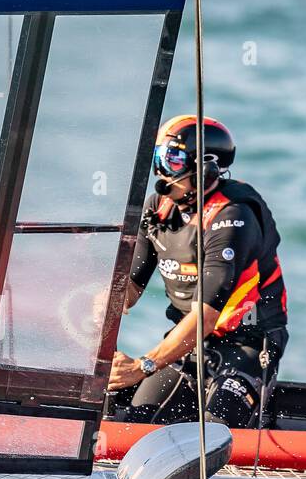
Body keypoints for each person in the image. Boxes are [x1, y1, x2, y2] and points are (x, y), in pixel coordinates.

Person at [106, 115, 289, 428]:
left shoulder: (234, 216)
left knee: (217, 428)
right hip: (187, 347)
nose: (162, 172)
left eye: (173, 161)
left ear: (205, 167)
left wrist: (144, 365)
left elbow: (206, 316)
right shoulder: (157, 210)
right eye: (159, 159)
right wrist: (95, 307)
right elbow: (126, 295)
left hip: (248, 344)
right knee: (136, 420)